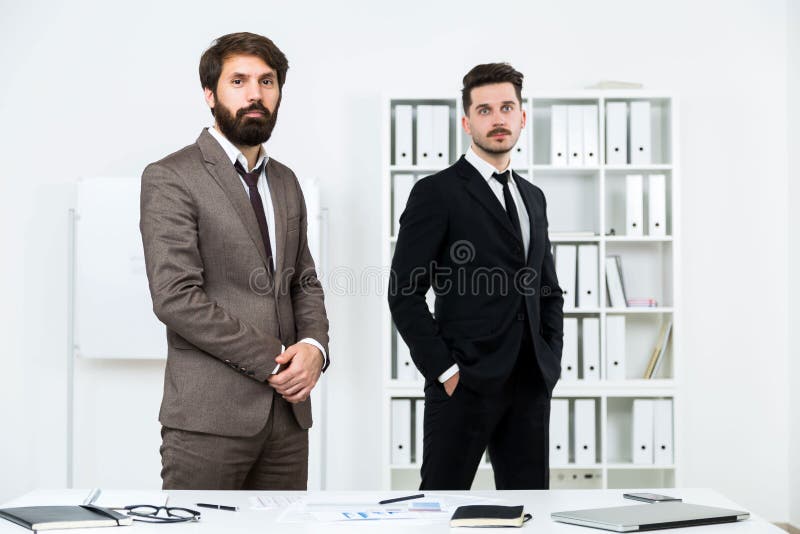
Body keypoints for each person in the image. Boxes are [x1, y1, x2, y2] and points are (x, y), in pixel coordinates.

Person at [140, 32, 329, 490]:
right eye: (238, 81)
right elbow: (176, 298)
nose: (255, 94)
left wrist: (314, 348)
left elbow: (302, 281)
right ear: (210, 94)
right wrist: (276, 361)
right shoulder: (171, 177)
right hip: (208, 421)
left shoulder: (286, 181)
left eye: (267, 81)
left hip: (288, 423)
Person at [388, 63, 563, 490]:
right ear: (467, 122)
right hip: (463, 383)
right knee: (439, 508)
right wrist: (444, 370)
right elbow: (404, 293)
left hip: (529, 383)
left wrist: (549, 360)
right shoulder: (437, 192)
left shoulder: (533, 197)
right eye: (485, 110)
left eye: (507, 107)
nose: (498, 119)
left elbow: (547, 290)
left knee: (528, 513)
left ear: (522, 116)